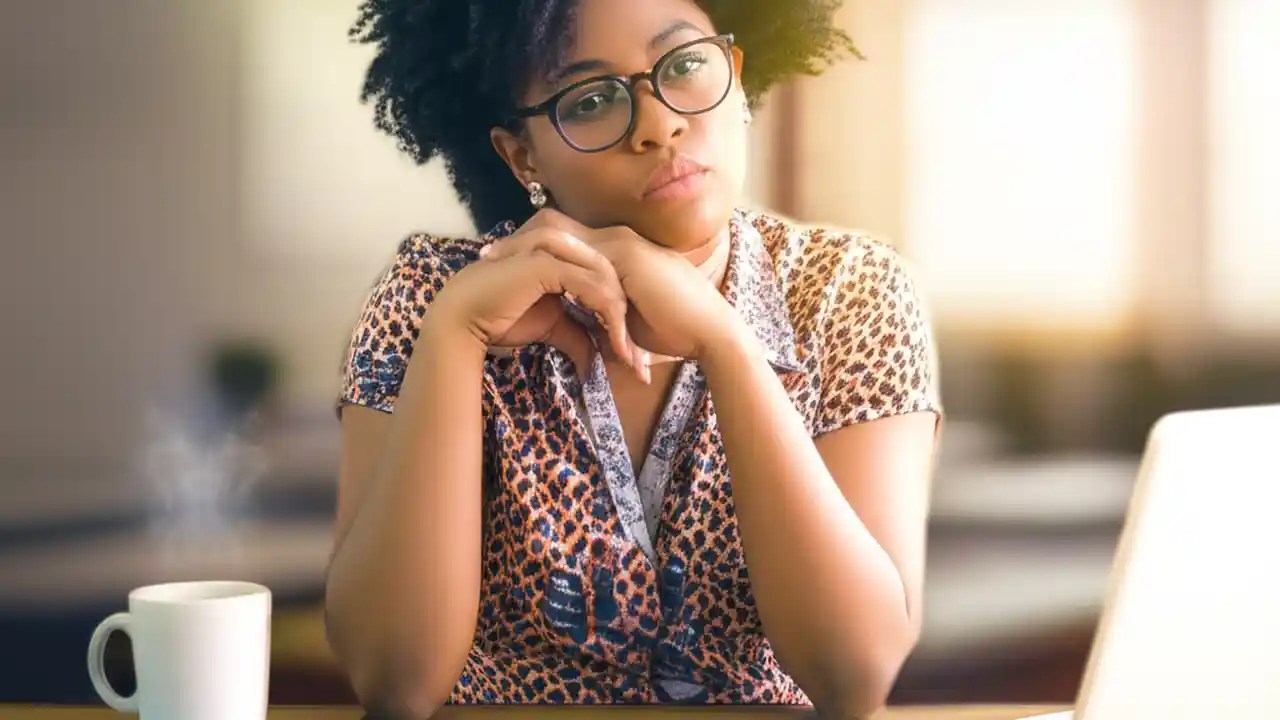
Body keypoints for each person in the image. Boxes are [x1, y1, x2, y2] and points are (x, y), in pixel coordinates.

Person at [324, 0, 943, 717]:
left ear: (735, 77)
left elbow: (855, 676)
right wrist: (456, 337)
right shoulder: (432, 297)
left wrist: (727, 343)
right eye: (590, 100)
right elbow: (394, 685)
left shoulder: (851, 290)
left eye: (683, 66)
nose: (658, 125)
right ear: (521, 155)